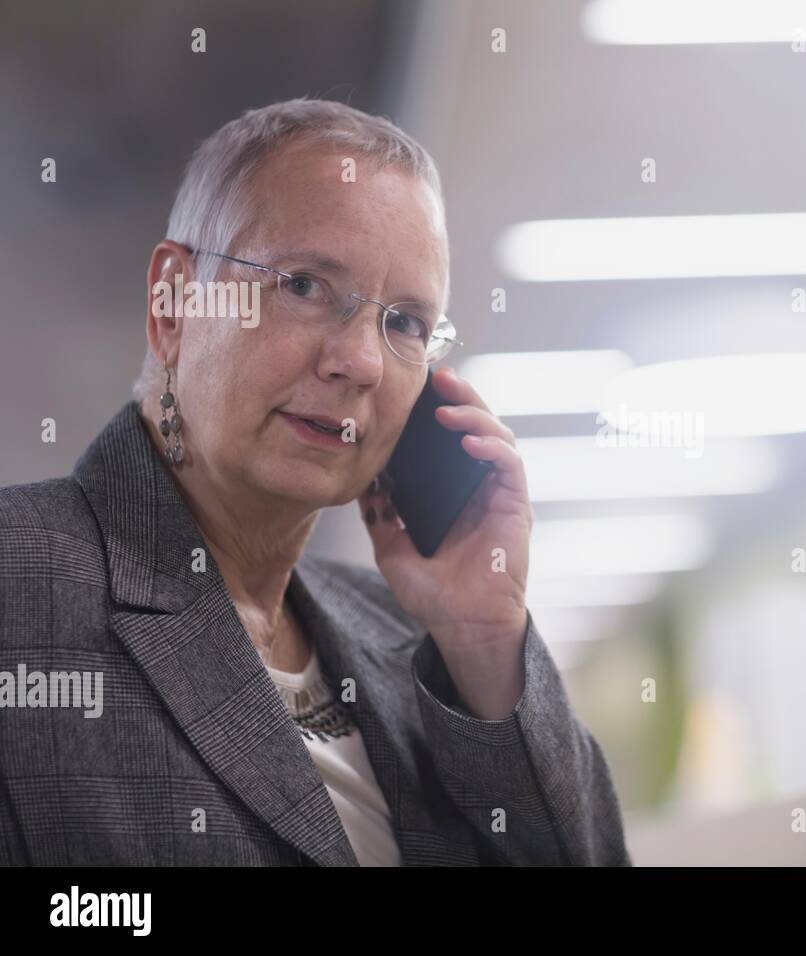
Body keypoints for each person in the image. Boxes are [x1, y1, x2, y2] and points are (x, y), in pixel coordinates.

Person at [0, 98, 632, 866]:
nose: (360, 361)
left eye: (404, 323)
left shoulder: (411, 639)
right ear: (173, 302)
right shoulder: (21, 584)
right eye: (303, 285)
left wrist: (483, 641)